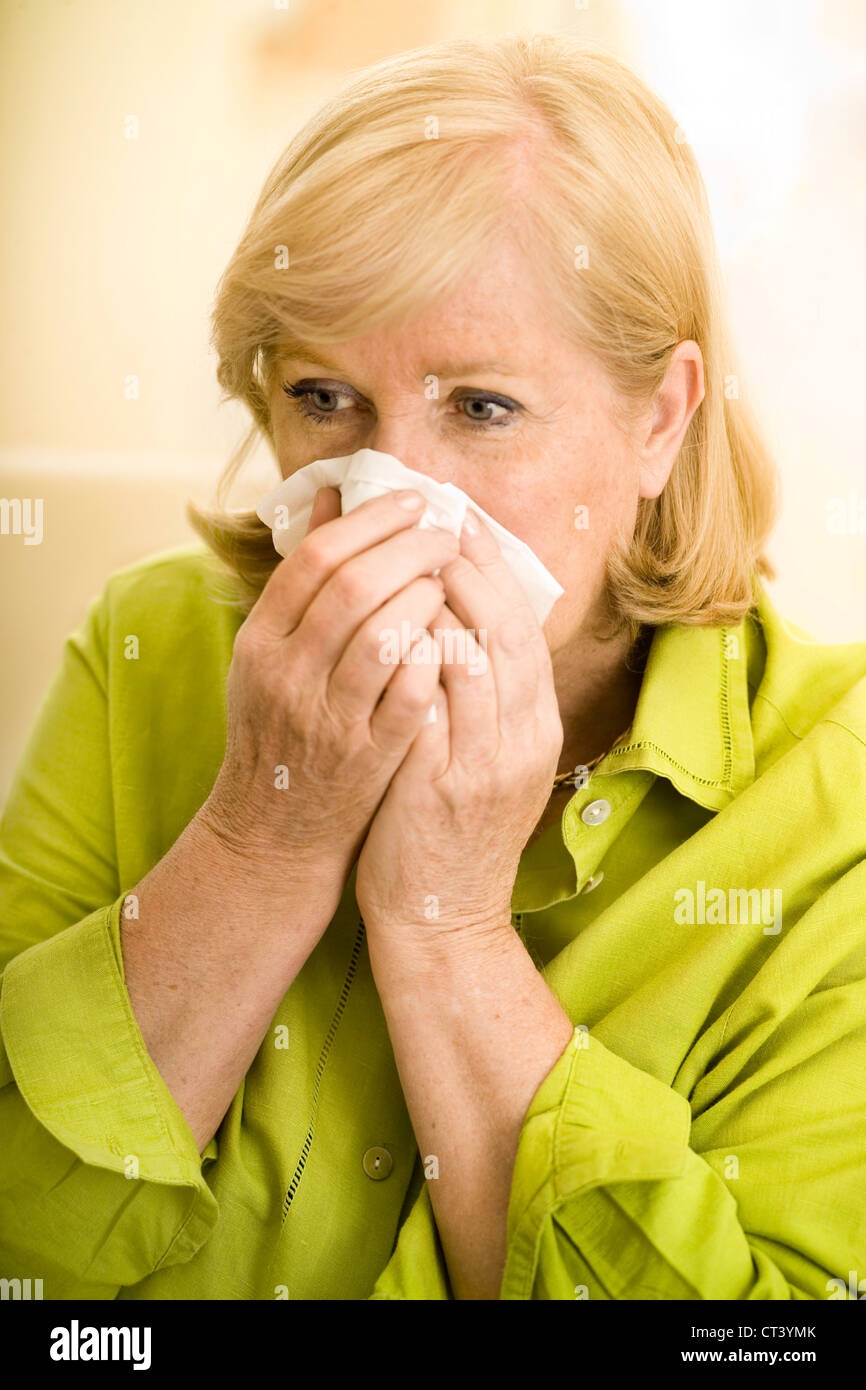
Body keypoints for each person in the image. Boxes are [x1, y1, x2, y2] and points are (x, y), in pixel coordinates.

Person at [1, 33, 864, 1302]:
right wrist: (262, 842)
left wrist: (447, 926)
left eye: (480, 406)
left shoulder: (830, 809)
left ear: (660, 418)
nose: (384, 499)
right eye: (324, 396)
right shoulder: (151, 652)